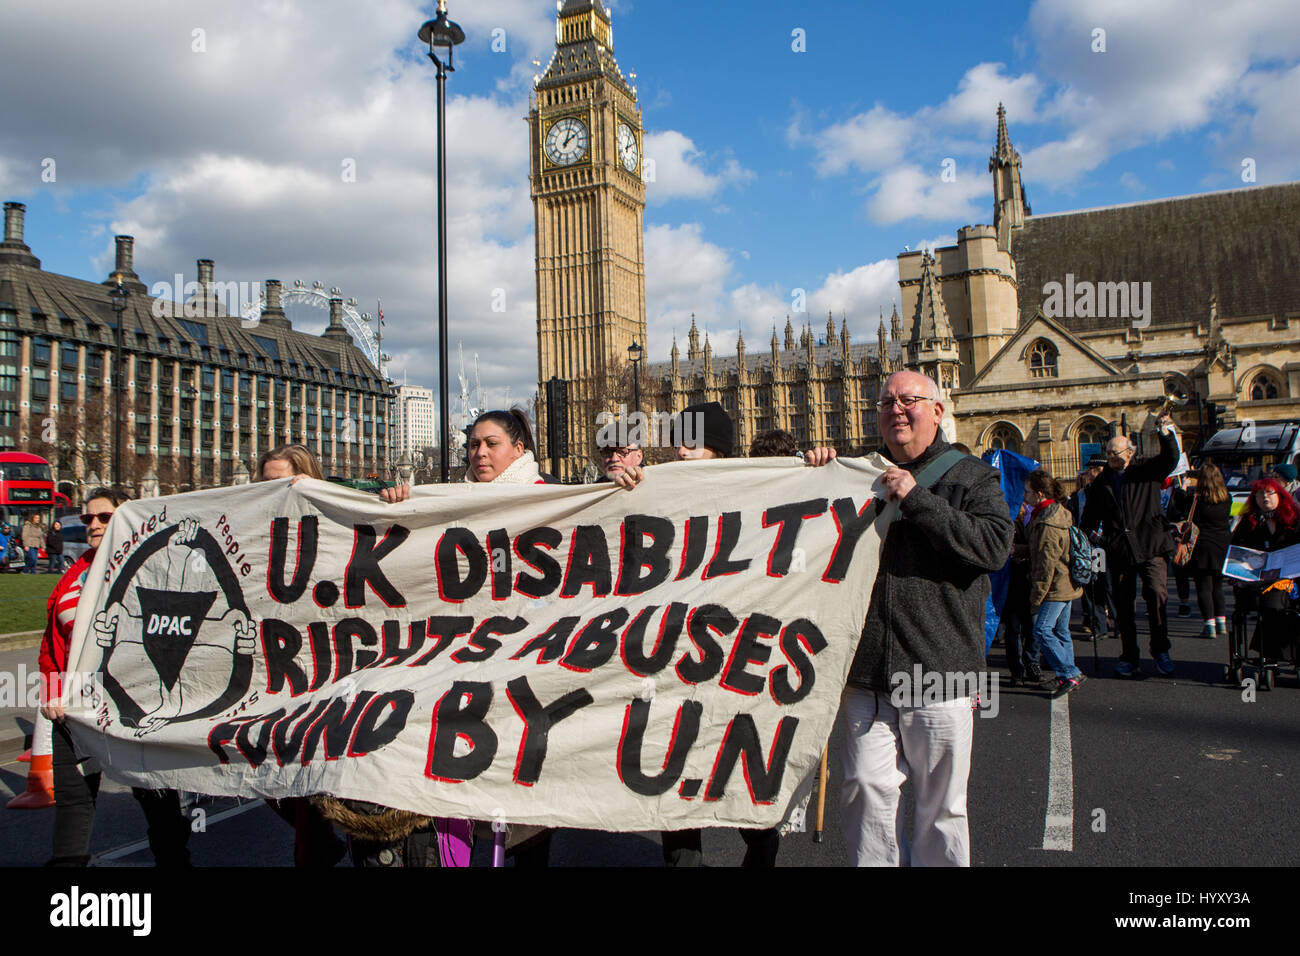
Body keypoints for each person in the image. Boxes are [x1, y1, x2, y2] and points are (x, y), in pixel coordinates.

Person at [806, 371, 1013, 866]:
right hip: (867, 671)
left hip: (938, 667)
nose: (895, 410)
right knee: (863, 790)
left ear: (937, 411)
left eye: (908, 401)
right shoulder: (857, 473)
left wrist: (917, 499)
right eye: (885, 402)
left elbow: (992, 546)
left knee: (940, 805)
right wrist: (812, 469)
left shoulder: (972, 475)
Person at [378, 409, 594, 866]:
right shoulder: (454, 502)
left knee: (525, 810)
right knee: (462, 786)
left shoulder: (555, 499)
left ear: (519, 448)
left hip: (532, 669)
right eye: (473, 445)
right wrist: (397, 502)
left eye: (490, 443)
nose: (479, 453)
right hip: (470, 667)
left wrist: (629, 481)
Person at [38, 487, 192, 866]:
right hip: (75, 709)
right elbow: (52, 645)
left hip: (136, 707)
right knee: (74, 802)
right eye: (88, 517)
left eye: (104, 517)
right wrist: (53, 691)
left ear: (126, 518)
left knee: (158, 805)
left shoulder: (155, 567)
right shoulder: (74, 573)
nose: (92, 523)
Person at [254, 444, 348, 867]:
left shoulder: (333, 525)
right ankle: (323, 843)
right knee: (261, 770)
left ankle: (315, 853)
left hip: (319, 669)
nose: (272, 490)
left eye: (284, 482)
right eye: (265, 481)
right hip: (268, 668)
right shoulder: (255, 530)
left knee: (305, 773)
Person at [1080, 421, 1180, 677]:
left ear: (1130, 452)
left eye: (1117, 453)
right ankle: (1129, 655)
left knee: (1156, 594)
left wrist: (1165, 434)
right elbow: (1088, 522)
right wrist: (1100, 540)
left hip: (1151, 545)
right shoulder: (1099, 485)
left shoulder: (1146, 471)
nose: (1112, 457)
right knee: (1124, 607)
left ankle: (1160, 649)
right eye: (1109, 453)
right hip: (1120, 551)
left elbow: (1170, 458)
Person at [1024, 470, 1084, 695]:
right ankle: (1064, 677)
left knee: (1042, 630)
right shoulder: (1052, 513)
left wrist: (1037, 596)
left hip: (1056, 587)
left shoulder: (1047, 523)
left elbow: (1045, 563)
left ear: (1039, 494)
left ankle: (1069, 672)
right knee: (1061, 631)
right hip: (1066, 583)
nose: (1024, 496)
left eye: (1027, 492)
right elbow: (1036, 550)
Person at [1230, 478, 1300, 664]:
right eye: (1260, 494)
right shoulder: (1249, 523)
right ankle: (1271, 655)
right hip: (1255, 583)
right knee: (1267, 604)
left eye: (1269, 493)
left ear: (1280, 496)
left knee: (1277, 604)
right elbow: (1235, 552)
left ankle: (1278, 654)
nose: (1265, 497)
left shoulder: (1294, 521)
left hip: (1288, 582)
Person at [1068, 455, 1114, 638]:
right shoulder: (1082, 494)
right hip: (1090, 546)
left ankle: (1118, 622)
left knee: (1109, 585)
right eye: (1089, 470)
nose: (1089, 473)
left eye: (1093, 470)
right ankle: (1099, 625)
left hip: (1108, 544)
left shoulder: (1111, 490)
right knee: (1093, 585)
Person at [1185, 463, 1232, 638]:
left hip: (1202, 544)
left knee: (1204, 587)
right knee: (1218, 586)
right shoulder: (1227, 497)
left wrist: (1183, 489)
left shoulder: (1197, 499)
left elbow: (1186, 515)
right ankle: (1221, 622)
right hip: (1222, 543)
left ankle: (1209, 624)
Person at [1002, 500, 1043, 686]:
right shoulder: (1007, 521)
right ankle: (1017, 670)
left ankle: (1032, 664)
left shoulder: (1032, 521)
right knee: (1014, 629)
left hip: (1028, 580)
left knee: (1031, 628)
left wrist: (1020, 552)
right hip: (1011, 582)